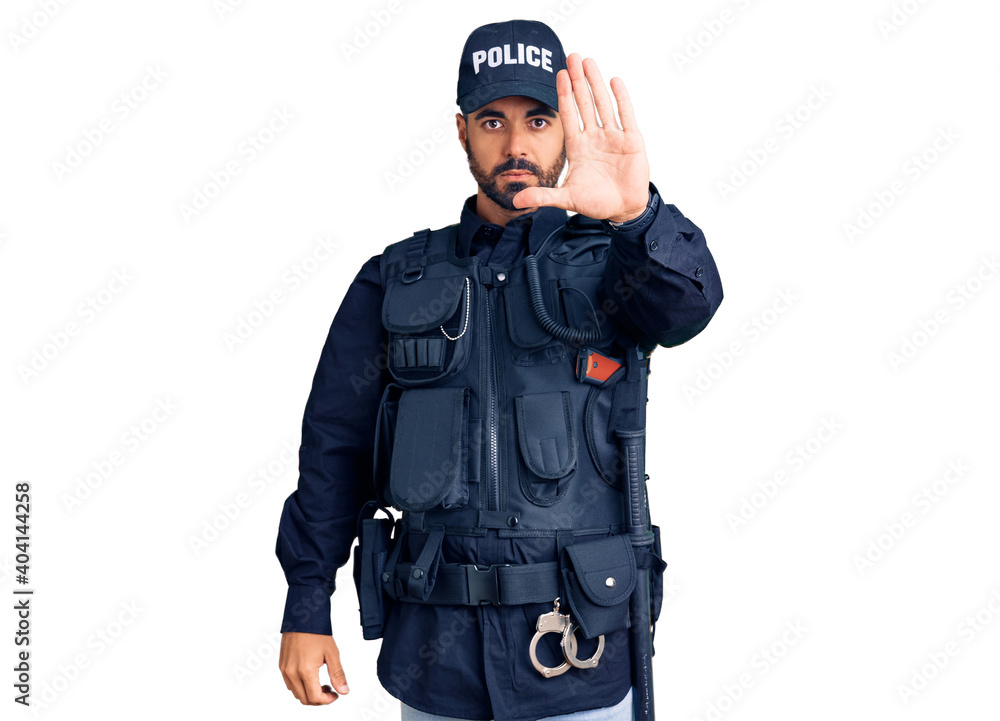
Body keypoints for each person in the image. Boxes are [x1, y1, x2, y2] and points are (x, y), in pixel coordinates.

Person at [275, 18, 723, 721]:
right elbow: (335, 445)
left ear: (567, 130)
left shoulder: (618, 262)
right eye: (492, 120)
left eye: (538, 119)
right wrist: (306, 603)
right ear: (461, 132)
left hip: (579, 656)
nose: (516, 145)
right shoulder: (395, 277)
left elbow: (691, 307)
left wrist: (639, 215)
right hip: (436, 661)